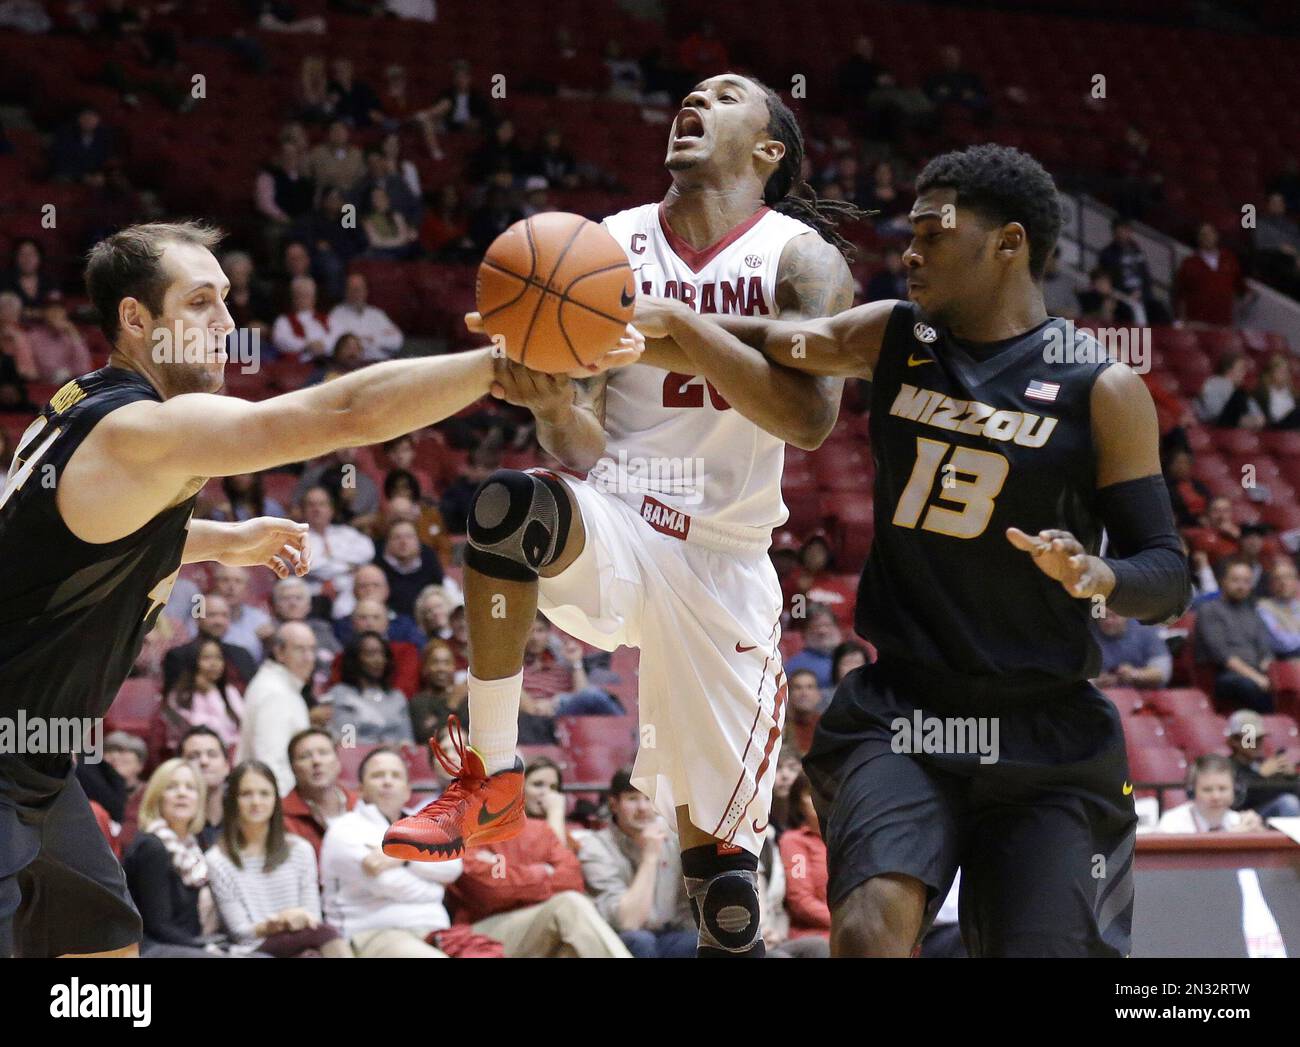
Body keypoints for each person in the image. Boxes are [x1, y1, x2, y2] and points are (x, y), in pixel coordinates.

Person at [633, 143, 1193, 957]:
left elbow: (1168, 574)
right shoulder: (896, 334)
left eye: (933, 230)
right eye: (910, 230)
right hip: (905, 716)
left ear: (1008, 244)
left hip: (1046, 733)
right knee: (869, 929)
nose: (910, 247)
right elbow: (762, 339)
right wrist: (622, 329)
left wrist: (1099, 572)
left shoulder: (1100, 387)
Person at [385, 73, 863, 966]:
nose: (697, 101)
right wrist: (550, 397)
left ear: (770, 151)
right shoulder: (606, 245)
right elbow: (579, 433)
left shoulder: (801, 260)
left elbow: (808, 418)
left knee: (722, 896)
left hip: (723, 564)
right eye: (691, 94)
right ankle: (491, 770)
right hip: (618, 515)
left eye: (725, 96)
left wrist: (679, 321)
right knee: (508, 506)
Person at [443, 741, 628, 958]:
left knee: (570, 947)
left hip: (539, 923)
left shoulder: (541, 830)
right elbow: (490, 891)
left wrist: (509, 874)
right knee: (569, 907)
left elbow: (572, 880)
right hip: (483, 931)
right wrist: (542, 871)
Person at [320, 748, 462, 957]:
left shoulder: (425, 826)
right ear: (360, 789)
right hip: (373, 935)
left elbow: (453, 866)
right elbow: (387, 884)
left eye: (395, 775)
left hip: (437, 933)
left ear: (407, 790)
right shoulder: (344, 829)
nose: (387, 781)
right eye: (377, 775)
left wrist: (404, 858)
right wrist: (436, 888)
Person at [205, 761, 350, 957]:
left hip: (304, 940)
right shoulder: (217, 860)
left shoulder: (300, 850)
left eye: (264, 793)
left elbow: (312, 917)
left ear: (275, 799)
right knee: (326, 933)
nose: (256, 802)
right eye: (246, 794)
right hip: (254, 948)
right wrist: (275, 924)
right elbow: (240, 932)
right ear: (233, 801)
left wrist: (297, 921)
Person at [578, 768, 695, 958]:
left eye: (648, 798)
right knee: (640, 941)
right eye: (632, 799)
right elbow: (628, 921)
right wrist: (649, 857)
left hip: (670, 934)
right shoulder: (595, 846)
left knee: (705, 941)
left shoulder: (675, 838)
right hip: (617, 938)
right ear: (613, 804)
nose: (643, 808)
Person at [122, 758, 226, 957]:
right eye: (172, 787)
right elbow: (157, 925)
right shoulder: (151, 847)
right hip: (148, 947)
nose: (182, 793)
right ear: (157, 797)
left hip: (183, 944)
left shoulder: (196, 849)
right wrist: (205, 947)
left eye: (190, 788)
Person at [238, 622, 317, 795]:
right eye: (300, 649)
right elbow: (272, 761)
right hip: (274, 799)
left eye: (312, 649)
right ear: (279, 652)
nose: (309, 657)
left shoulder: (281, 686)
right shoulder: (275, 692)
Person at [1195, 558, 1276, 713]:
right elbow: (1222, 655)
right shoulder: (1210, 610)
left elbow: (1265, 649)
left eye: (1246, 581)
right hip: (1225, 675)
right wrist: (1256, 677)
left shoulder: (1252, 611)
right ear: (1223, 581)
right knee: (1249, 686)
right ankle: (1270, 727)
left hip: (1257, 672)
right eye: (1235, 580)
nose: (1241, 586)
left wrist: (1271, 672)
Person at [323, 632, 415, 746]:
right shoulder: (342, 694)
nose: (378, 660)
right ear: (355, 659)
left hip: (396, 761)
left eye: (382, 654)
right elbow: (348, 742)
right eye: (370, 654)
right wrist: (379, 748)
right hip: (357, 760)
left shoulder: (397, 697)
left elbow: (408, 741)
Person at [282, 727, 358, 859]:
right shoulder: (280, 815)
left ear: (338, 762)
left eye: (323, 753)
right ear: (293, 768)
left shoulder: (362, 805)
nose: (316, 761)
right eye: (305, 756)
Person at [161, 635, 245, 751]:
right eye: (206, 658)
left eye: (219, 658)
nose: (214, 663)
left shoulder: (230, 691)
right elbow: (206, 729)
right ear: (193, 662)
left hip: (231, 755)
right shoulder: (180, 695)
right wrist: (209, 693)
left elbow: (243, 726)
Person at [163, 592, 257, 694]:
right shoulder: (178, 656)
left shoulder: (242, 654)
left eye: (224, 615)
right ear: (197, 618)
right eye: (212, 615)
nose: (219, 621)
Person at [777, 773, 831, 946]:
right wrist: (850, 921)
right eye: (811, 794)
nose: (820, 800)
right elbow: (801, 901)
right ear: (799, 803)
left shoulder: (847, 840)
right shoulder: (794, 841)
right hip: (815, 939)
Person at [1156, 755, 1264, 833]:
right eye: (1207, 790)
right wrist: (1230, 838)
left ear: (1235, 790)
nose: (1216, 797)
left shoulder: (1240, 822)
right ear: (1192, 792)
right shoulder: (1172, 823)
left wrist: (1259, 835)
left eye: (1223, 789)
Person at [1224, 709, 1300, 820]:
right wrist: (1260, 775)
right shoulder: (1226, 767)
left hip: (1270, 817)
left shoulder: (1264, 764)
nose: (1257, 743)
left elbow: (1288, 788)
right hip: (1242, 821)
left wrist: (1292, 776)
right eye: (1251, 739)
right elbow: (1238, 799)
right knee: (1288, 803)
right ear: (1234, 741)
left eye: (1259, 738)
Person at [1174, 222, 1251, 326]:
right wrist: (1180, 320)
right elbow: (1179, 294)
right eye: (1203, 235)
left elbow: (1241, 287)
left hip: (1224, 324)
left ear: (1216, 235)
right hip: (1197, 323)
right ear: (1198, 238)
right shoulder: (1189, 263)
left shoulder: (1229, 259)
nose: (1207, 237)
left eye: (1210, 233)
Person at [326, 273, 402, 363]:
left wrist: (374, 339)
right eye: (353, 289)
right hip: (353, 366)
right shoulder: (337, 314)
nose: (356, 293)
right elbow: (338, 345)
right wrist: (373, 340)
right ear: (346, 291)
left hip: (381, 364)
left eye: (359, 289)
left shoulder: (377, 314)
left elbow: (397, 340)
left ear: (366, 291)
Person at [179, 726, 230, 849]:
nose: (204, 761)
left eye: (212, 754)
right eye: (193, 756)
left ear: (227, 766)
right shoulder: (171, 821)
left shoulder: (243, 814)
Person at [1093, 609, 1172, 689]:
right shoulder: (1089, 632)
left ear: (1126, 615)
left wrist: (1134, 674)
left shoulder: (1146, 629)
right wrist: (1095, 681)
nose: (1108, 621)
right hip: (1103, 694)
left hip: (1144, 694)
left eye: (1114, 616)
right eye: (1103, 616)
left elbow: (1162, 673)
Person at [25, 291, 92, 383]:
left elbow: (84, 367)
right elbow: (46, 368)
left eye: (60, 309)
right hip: (46, 386)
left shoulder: (71, 335)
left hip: (71, 386)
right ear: (43, 312)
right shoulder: (33, 336)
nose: (56, 313)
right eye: (51, 309)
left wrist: (73, 333)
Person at [410, 639, 466, 743]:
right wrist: (451, 705)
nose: (441, 668)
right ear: (425, 667)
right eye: (435, 662)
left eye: (447, 663)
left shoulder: (465, 699)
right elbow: (424, 736)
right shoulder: (418, 702)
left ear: (454, 667)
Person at [213, 564, 273, 663]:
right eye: (225, 580)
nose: (231, 587)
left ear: (246, 589)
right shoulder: (201, 615)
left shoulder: (260, 619)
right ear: (215, 584)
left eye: (238, 581)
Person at [785, 604, 844, 689]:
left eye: (827, 625)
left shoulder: (852, 656)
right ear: (805, 632)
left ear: (837, 628)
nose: (822, 631)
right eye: (816, 626)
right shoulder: (796, 665)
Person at [1257, 560, 1300, 658]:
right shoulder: (1263, 608)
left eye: (1288, 577)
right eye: (1277, 578)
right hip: (1284, 662)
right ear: (1271, 584)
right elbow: (1283, 643)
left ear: (1296, 582)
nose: (1283, 582)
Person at [782, 668, 823, 757]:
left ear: (819, 695)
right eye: (798, 687)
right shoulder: (780, 726)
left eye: (810, 687)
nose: (804, 693)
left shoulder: (827, 726)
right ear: (789, 694)